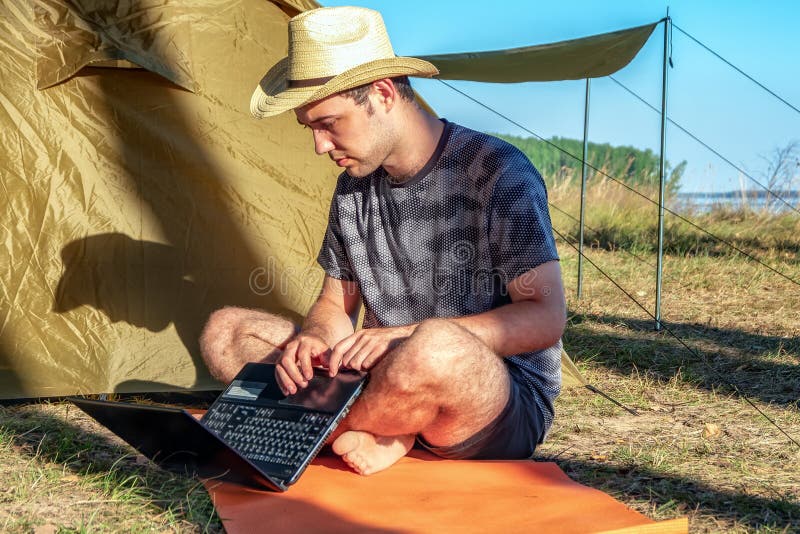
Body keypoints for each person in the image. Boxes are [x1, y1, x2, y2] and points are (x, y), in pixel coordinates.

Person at [200, 5, 566, 476]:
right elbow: (336, 306)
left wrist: (405, 337)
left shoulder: (499, 172)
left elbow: (545, 316)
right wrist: (312, 340)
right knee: (228, 331)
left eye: (329, 123)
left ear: (383, 93)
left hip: (489, 394)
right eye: (309, 128)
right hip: (379, 377)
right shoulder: (354, 186)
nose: (319, 146)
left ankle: (308, 428)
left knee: (437, 346)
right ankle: (382, 427)